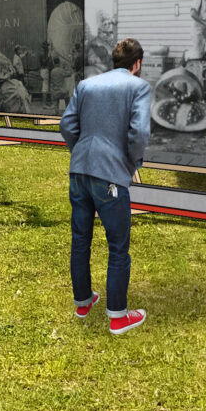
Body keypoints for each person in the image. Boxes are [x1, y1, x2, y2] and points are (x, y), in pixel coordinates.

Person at [59, 37, 152, 335]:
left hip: (79, 172)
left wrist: (82, 151)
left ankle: (83, 302)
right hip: (110, 175)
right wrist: (133, 162)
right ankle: (118, 317)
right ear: (137, 64)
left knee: (80, 240)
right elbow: (139, 133)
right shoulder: (139, 87)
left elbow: (67, 125)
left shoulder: (86, 85)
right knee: (117, 248)